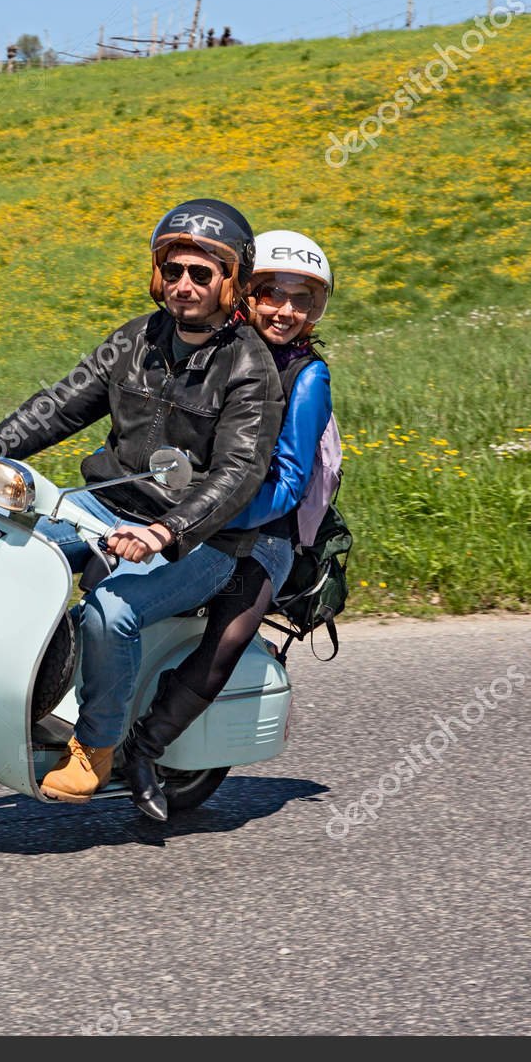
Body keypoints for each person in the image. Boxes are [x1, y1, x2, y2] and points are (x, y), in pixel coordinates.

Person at [0, 199, 284, 803]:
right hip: (104, 506)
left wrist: (167, 531)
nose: (183, 285)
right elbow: (62, 403)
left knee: (111, 610)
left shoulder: (249, 368)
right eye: (172, 270)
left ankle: (95, 749)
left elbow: (239, 472)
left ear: (230, 283)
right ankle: (7, 688)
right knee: (6, 547)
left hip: (202, 539)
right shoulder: (135, 339)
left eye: (201, 274)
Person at [114, 229, 337, 820]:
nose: (285, 311)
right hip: (184, 510)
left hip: (265, 532)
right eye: (271, 294)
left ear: (316, 311)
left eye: (302, 300)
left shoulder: (306, 377)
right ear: (245, 292)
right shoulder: (221, 347)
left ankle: (145, 749)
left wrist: (210, 510)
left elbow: (287, 483)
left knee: (227, 640)